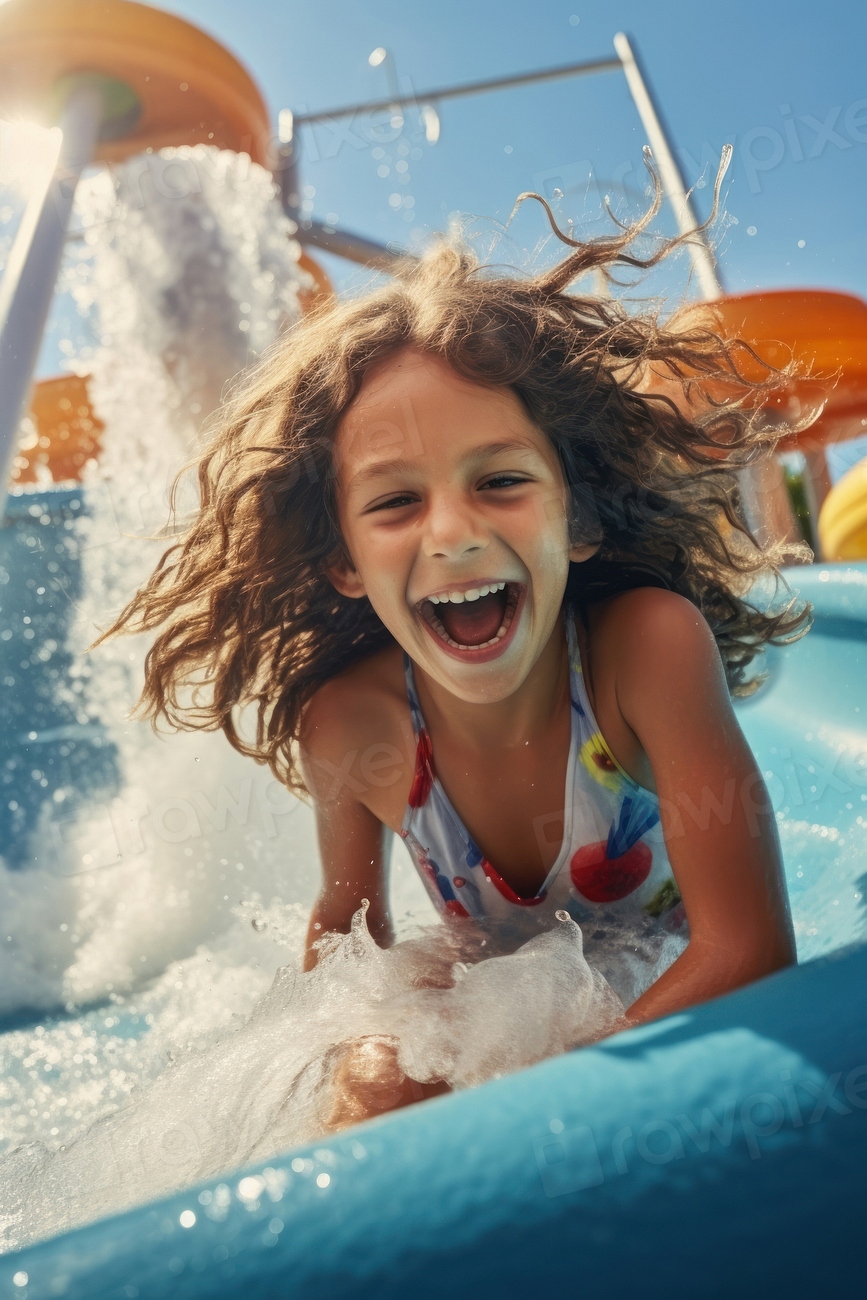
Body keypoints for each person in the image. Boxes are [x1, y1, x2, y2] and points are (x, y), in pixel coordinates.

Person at [102, 164, 807, 1127]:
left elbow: (748, 951)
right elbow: (347, 932)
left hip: (661, 974)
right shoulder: (349, 725)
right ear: (344, 560)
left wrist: (542, 1103)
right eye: (395, 502)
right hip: (491, 977)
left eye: (501, 482)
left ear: (578, 520)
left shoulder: (643, 651)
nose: (451, 533)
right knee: (375, 1084)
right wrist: (350, 1070)